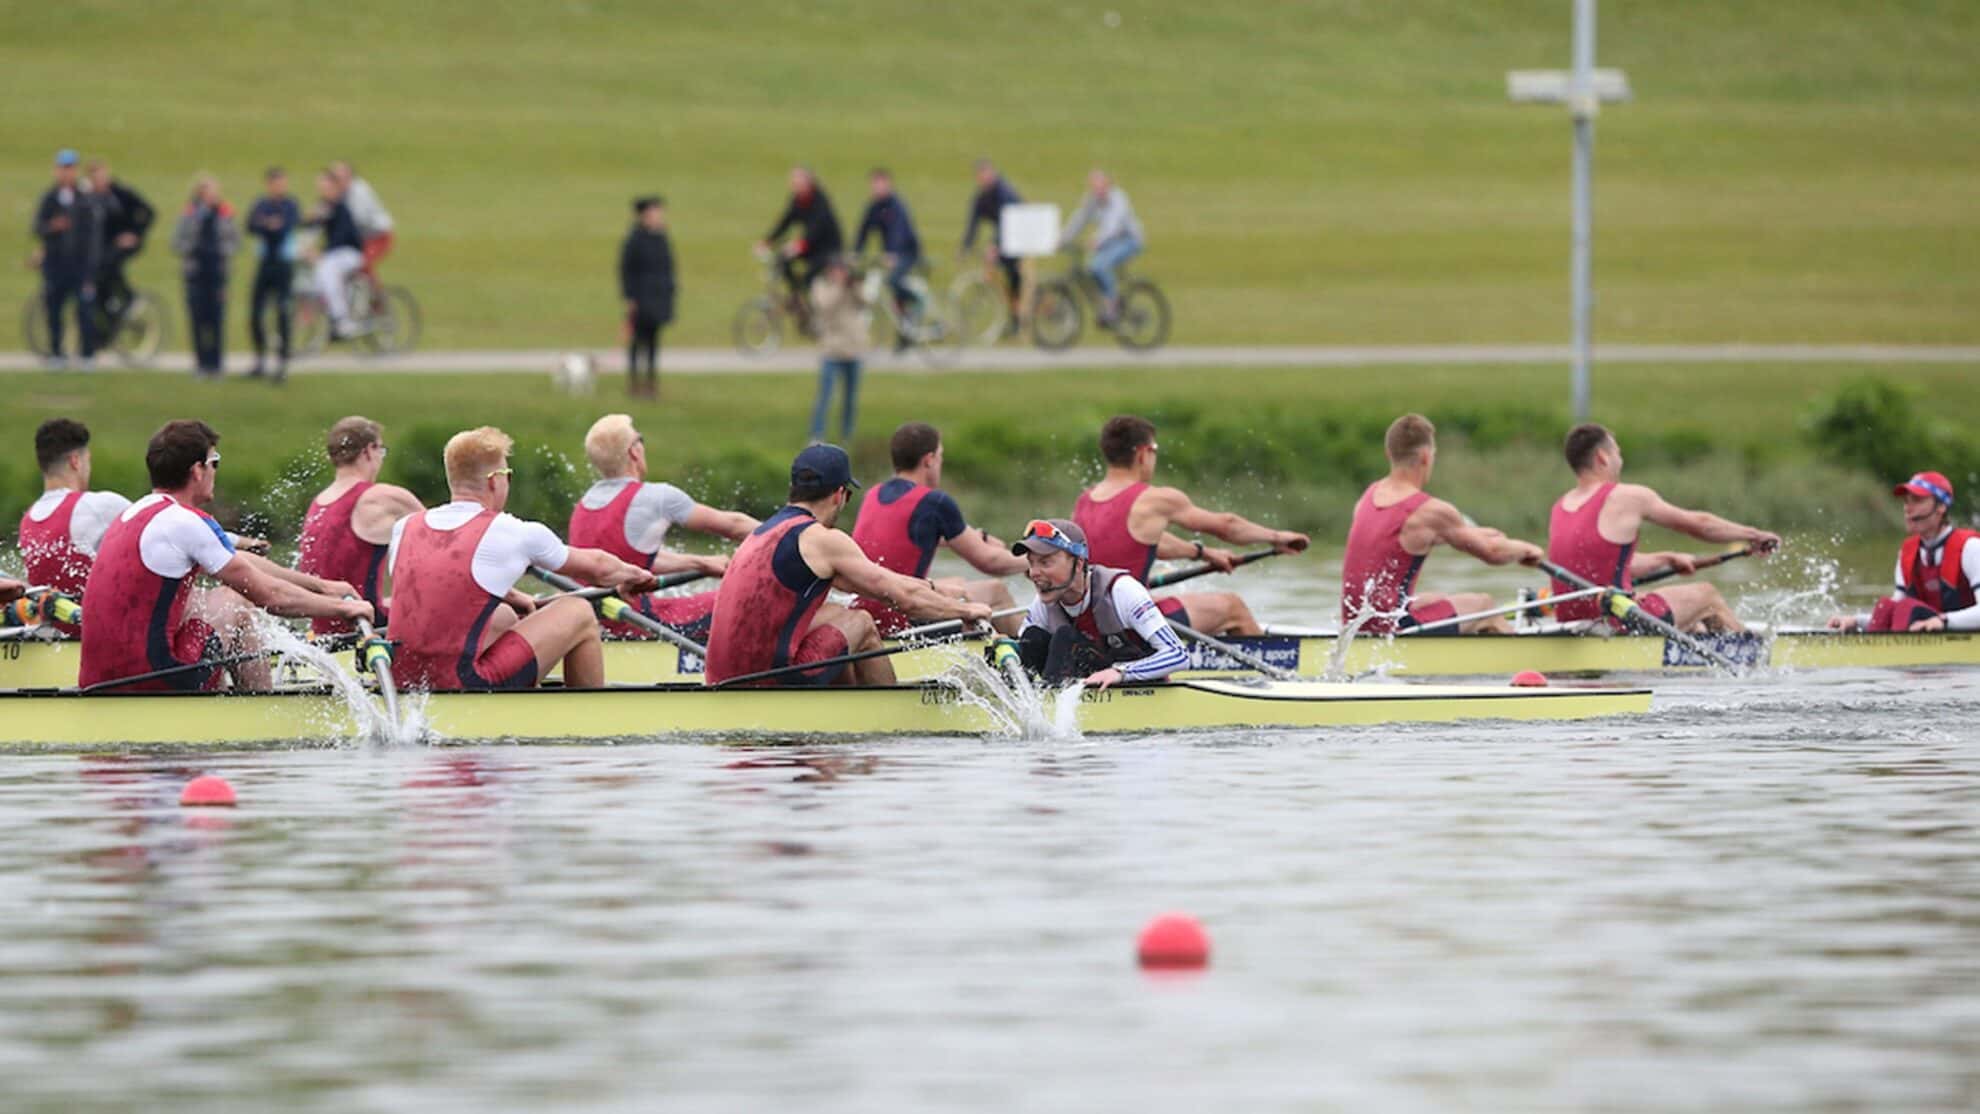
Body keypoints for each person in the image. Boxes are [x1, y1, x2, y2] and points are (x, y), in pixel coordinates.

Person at [79, 420, 370, 692]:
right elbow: (271, 597)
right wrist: (343, 610)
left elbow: (240, 562)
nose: (215, 471)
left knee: (197, 598)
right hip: (153, 678)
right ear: (197, 470)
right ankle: (259, 711)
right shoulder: (186, 522)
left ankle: (223, 692)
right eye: (214, 462)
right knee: (236, 601)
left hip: (99, 679)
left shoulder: (135, 514)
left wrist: (322, 587)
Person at [387, 427, 656, 691]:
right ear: (495, 480)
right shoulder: (512, 531)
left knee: (503, 615)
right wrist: (637, 576)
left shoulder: (404, 527)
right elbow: (598, 569)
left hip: (402, 680)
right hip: (463, 681)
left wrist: (513, 597)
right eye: (508, 474)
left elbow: (443, 580)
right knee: (579, 611)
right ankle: (589, 720)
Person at [702, 444, 990, 687]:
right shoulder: (822, 540)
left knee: (834, 614)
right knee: (861, 622)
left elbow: (882, 582)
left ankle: (843, 711)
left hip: (721, 678)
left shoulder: (763, 532)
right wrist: (964, 610)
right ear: (840, 494)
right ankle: (884, 716)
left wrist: (933, 587)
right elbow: (903, 599)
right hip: (767, 681)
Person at [1072, 415, 1308, 636]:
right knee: (1232, 607)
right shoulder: (1155, 499)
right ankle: (1270, 669)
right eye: (1155, 450)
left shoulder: (1085, 502)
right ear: (1143, 453)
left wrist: (1204, 554)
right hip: (1132, 626)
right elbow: (1227, 526)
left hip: (1089, 623)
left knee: (1155, 600)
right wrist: (1277, 537)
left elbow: (1141, 541)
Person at [1547, 423, 1779, 633]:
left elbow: (1598, 563)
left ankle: (1703, 652)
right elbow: (1699, 526)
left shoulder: (1561, 506)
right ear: (1602, 457)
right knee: (1707, 595)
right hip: (1617, 621)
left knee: (1695, 625)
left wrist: (1667, 558)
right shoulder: (1628, 496)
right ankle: (1752, 657)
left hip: (1573, 622)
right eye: (1618, 452)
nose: (1620, 460)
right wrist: (1754, 535)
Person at [1341, 414, 1545, 635]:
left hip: (1356, 622)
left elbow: (1423, 535)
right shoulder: (1430, 510)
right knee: (1484, 605)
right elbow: (1492, 554)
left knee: (1435, 599)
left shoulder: (1369, 496)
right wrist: (1527, 549)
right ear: (1426, 457)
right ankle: (1521, 664)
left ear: (1389, 453)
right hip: (1392, 629)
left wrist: (1480, 534)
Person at [569, 413, 758, 641]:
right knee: (751, 598)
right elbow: (734, 527)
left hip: (593, 619)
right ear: (634, 452)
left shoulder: (584, 505)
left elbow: (628, 560)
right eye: (641, 440)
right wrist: (792, 532)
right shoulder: (657, 497)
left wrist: (701, 563)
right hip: (640, 621)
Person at [852, 422, 1026, 637]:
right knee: (996, 591)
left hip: (866, 614)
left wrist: (979, 537)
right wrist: (1035, 560)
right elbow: (990, 562)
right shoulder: (935, 502)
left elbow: (906, 538)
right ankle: (1029, 661)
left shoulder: (873, 495)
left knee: (957, 583)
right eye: (940, 456)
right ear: (929, 460)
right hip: (903, 618)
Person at [1009, 518, 1188, 688]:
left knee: (1065, 637)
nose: (1033, 573)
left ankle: (1050, 704)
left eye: (1045, 563)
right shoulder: (1042, 604)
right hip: (1087, 684)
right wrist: (1007, 651)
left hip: (1136, 687)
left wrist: (1121, 672)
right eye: (1031, 563)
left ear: (1078, 564)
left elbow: (1178, 655)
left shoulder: (1121, 590)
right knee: (1032, 638)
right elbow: (1025, 652)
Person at [296, 416, 425, 638]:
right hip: (365, 624)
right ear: (369, 450)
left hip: (323, 632)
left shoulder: (319, 502)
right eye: (381, 451)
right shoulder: (382, 497)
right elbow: (447, 542)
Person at [17, 419, 132, 632]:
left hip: (51, 638)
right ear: (75, 461)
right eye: (88, 461)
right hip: (96, 638)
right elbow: (156, 525)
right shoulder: (97, 505)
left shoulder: (27, 520)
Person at [1829, 471, 1979, 633]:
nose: (1908, 509)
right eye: (1906, 501)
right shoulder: (1908, 553)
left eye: (1917, 500)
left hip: (1964, 634)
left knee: (1906, 607)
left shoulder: (1971, 548)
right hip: (1933, 629)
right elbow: (1893, 613)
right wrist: (1857, 621)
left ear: (1941, 507)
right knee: (1886, 606)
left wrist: (1945, 621)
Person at [30, 149, 102, 368]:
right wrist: (53, 227)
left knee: (84, 310)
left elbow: (92, 235)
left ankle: (87, 355)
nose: (66, 173)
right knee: (54, 310)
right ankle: (57, 354)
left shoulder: (84, 199)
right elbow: (37, 227)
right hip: (55, 265)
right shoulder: (50, 198)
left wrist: (91, 266)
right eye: (62, 168)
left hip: (80, 266)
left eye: (70, 168)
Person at [170, 175, 240, 377]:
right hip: (195, 273)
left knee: (217, 320)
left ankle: (216, 364)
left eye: (215, 192)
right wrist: (190, 249)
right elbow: (176, 242)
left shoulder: (225, 213)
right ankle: (201, 364)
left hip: (217, 274)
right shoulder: (189, 213)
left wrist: (221, 250)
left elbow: (236, 242)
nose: (213, 196)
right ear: (200, 194)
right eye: (209, 192)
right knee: (197, 320)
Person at [1059, 169, 1143, 325]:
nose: (1097, 191)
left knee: (1099, 266)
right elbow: (1079, 220)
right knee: (1091, 268)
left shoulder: (1119, 199)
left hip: (1128, 240)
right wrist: (1063, 239)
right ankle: (1105, 301)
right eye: (1094, 188)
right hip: (1109, 241)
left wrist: (1097, 240)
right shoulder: (1092, 200)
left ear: (1108, 185)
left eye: (1100, 187)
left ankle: (1113, 305)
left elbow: (1112, 225)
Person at [759, 166, 842, 312]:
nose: (795, 187)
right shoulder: (798, 199)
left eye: (798, 183)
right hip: (811, 246)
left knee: (810, 275)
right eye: (793, 183)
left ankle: (813, 310)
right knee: (782, 261)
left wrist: (799, 245)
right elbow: (786, 220)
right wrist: (769, 240)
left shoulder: (820, 201)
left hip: (828, 249)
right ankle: (796, 296)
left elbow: (818, 229)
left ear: (808, 183)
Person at [853, 168, 921, 344]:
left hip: (907, 252)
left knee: (893, 282)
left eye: (880, 184)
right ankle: (904, 330)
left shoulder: (897, 206)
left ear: (888, 184)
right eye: (874, 185)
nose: (876, 189)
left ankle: (914, 299)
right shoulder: (874, 207)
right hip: (889, 255)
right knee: (881, 287)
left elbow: (898, 232)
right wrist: (855, 253)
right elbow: (863, 231)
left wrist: (893, 253)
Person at [244, 167, 301, 379]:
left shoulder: (290, 205)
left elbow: (285, 226)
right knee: (256, 312)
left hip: (283, 264)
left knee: (282, 312)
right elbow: (250, 225)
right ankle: (259, 359)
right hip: (265, 262)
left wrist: (267, 225)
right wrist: (270, 225)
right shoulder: (262, 204)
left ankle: (282, 362)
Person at [84, 158, 154, 328]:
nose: (99, 181)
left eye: (101, 176)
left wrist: (135, 234)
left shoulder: (120, 193)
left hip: (126, 242)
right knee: (98, 274)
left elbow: (148, 211)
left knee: (110, 264)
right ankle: (108, 313)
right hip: (104, 244)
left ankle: (130, 297)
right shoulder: (89, 197)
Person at [619, 195, 675, 399]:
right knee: (637, 341)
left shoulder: (661, 237)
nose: (657, 216)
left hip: (658, 297)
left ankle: (651, 383)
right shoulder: (635, 240)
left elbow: (668, 268)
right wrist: (630, 297)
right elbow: (627, 270)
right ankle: (634, 383)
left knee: (653, 341)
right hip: (641, 297)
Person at [961, 158, 1024, 329]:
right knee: (998, 271)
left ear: (993, 173)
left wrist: (996, 245)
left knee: (1012, 274)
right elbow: (973, 223)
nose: (984, 179)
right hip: (1006, 236)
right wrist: (965, 247)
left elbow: (1009, 221)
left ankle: (1017, 316)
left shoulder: (1004, 193)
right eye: (981, 176)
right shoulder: (982, 197)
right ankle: (1012, 315)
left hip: (1020, 233)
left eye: (986, 174)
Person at [808, 256, 865, 443]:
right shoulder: (820, 286)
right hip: (831, 350)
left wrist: (854, 284)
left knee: (850, 398)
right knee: (824, 396)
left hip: (853, 349)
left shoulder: (851, 286)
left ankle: (847, 435)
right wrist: (840, 286)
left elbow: (865, 302)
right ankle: (817, 434)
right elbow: (825, 306)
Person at [308, 170, 366, 340]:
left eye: (326, 187)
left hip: (350, 252)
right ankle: (332, 318)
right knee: (320, 276)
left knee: (327, 269)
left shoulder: (341, 208)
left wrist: (321, 253)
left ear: (334, 187)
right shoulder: (323, 206)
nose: (323, 191)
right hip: (334, 253)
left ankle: (343, 320)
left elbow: (341, 236)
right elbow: (312, 228)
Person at [330, 160, 393, 276]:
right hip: (361, 237)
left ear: (349, 177)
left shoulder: (359, 192)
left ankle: (377, 293)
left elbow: (359, 220)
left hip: (377, 236)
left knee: (361, 265)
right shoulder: (340, 192)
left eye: (338, 178)